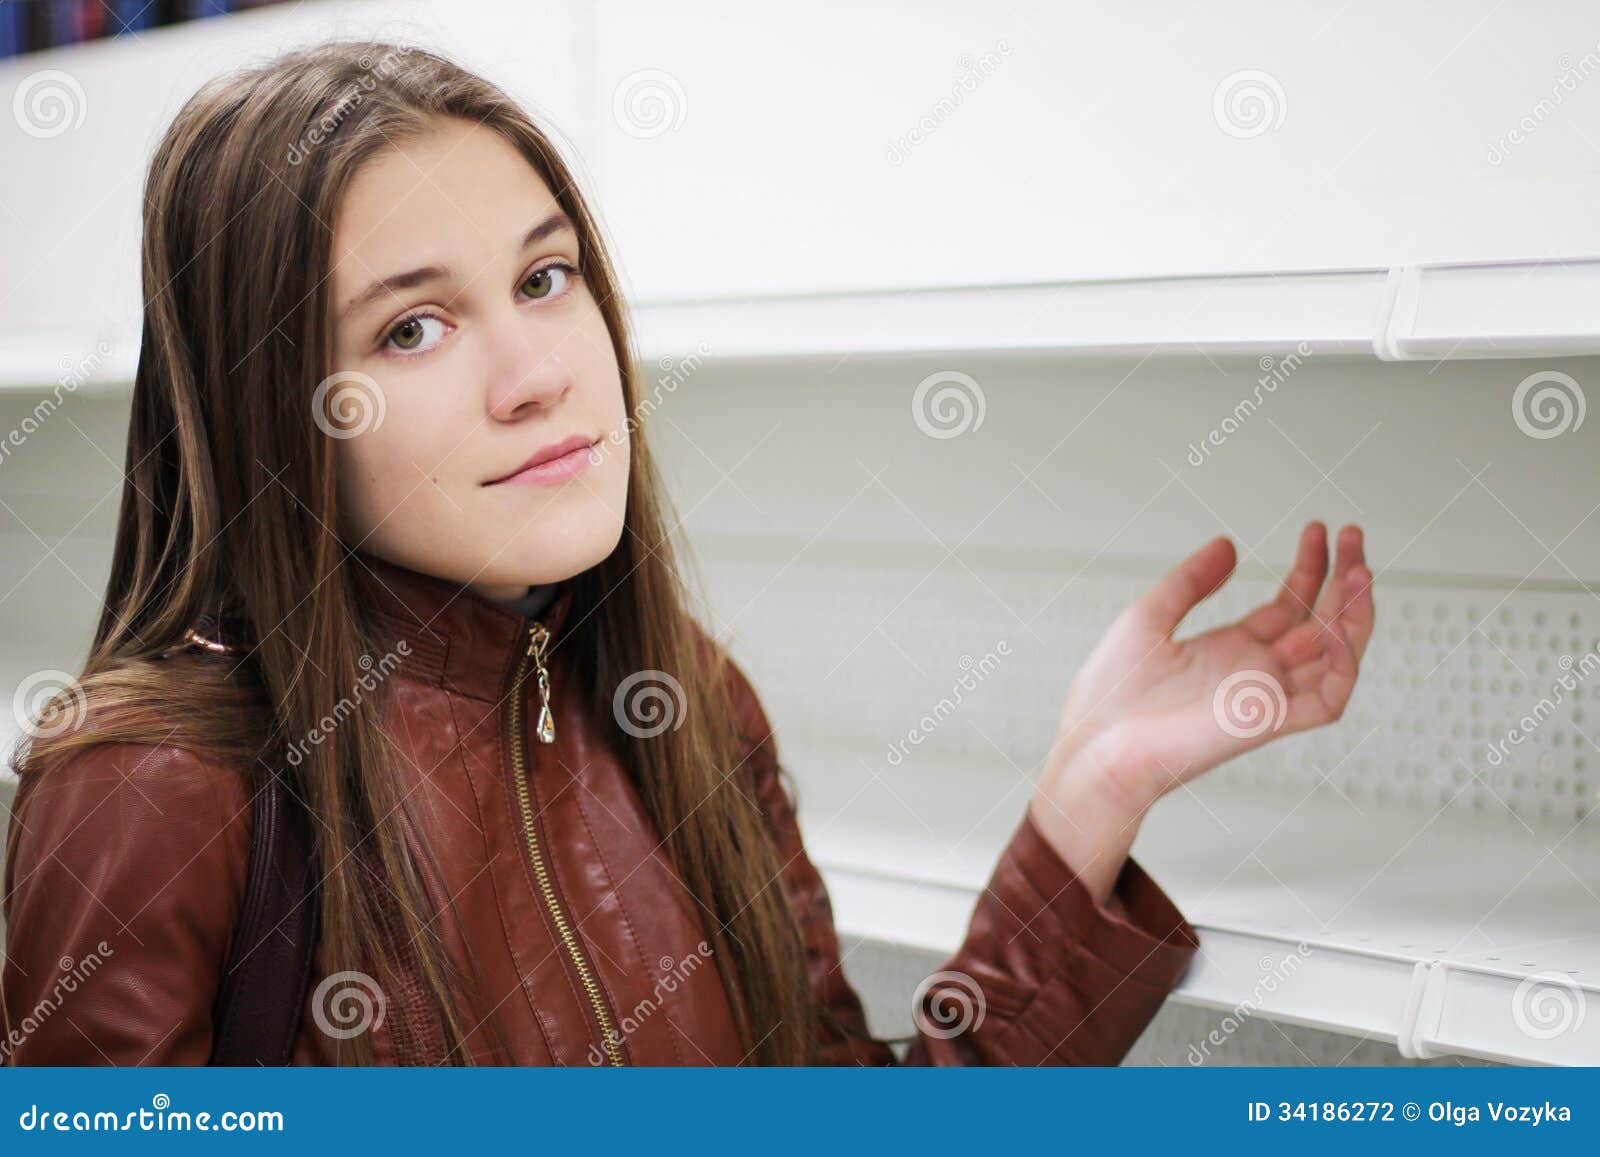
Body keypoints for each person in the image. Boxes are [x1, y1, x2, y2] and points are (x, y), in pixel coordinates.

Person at [0, 40, 1375, 1066]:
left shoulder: (685, 705)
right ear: (270, 406)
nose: (538, 373)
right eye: (412, 328)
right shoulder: (156, 792)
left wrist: (1092, 785)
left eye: (544, 278)